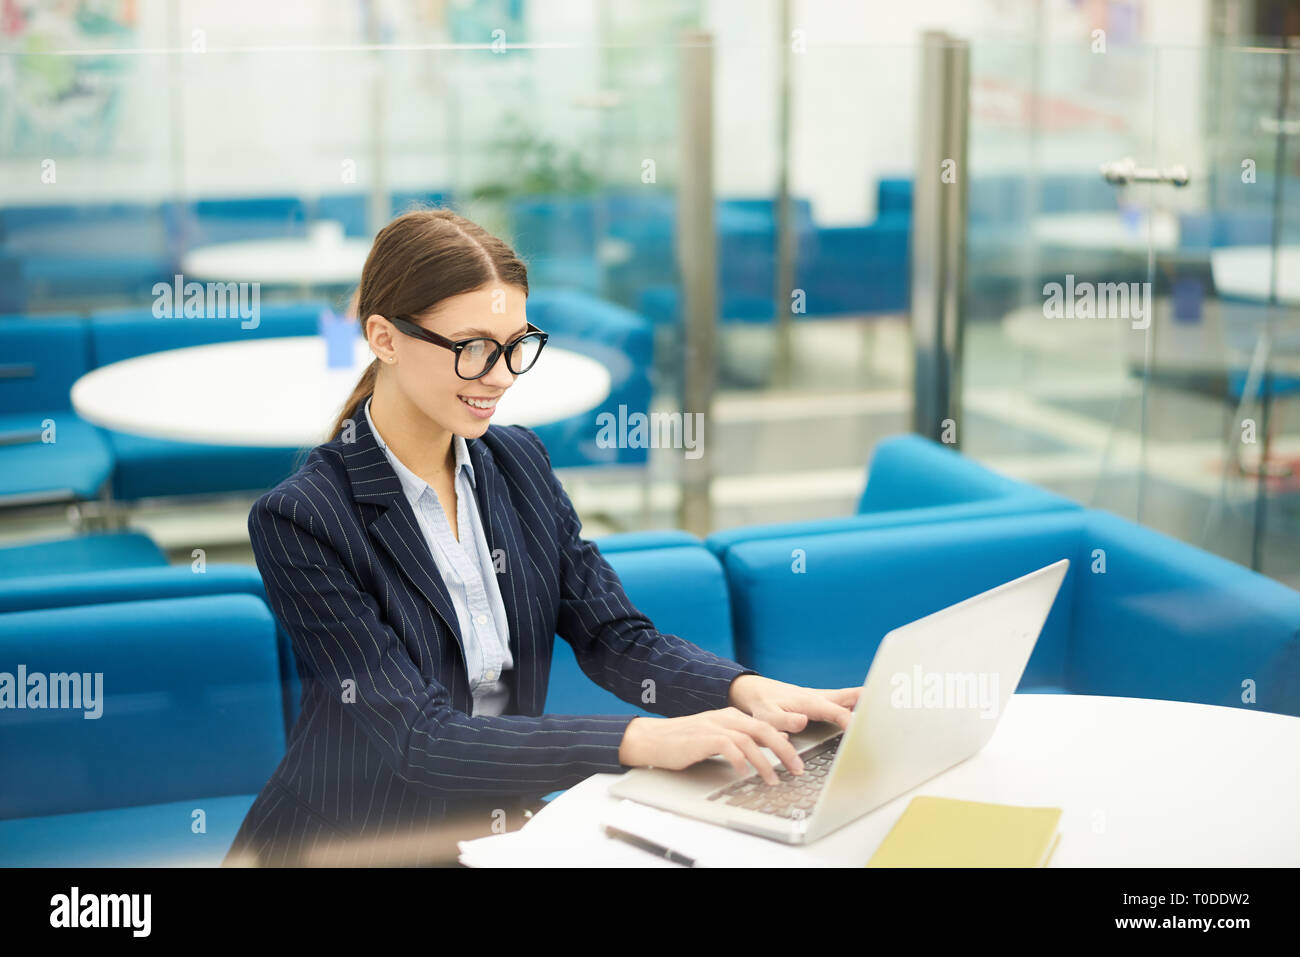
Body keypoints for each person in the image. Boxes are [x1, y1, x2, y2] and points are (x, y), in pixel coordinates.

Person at [223, 208, 859, 867]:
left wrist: (744, 690)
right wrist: (638, 740)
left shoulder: (517, 462)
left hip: (502, 832)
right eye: (472, 348)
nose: (500, 376)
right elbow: (418, 738)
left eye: (515, 345)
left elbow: (614, 637)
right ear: (385, 337)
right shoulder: (303, 518)